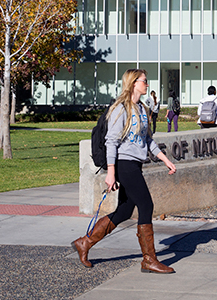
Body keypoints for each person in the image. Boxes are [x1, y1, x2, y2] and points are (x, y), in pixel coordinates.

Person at [71, 69, 177, 274]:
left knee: (125, 210)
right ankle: (149, 260)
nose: (147, 84)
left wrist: (165, 160)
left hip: (135, 163)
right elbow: (111, 141)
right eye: (145, 81)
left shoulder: (142, 109)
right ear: (134, 83)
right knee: (146, 204)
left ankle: (85, 243)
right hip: (124, 164)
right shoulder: (120, 108)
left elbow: (147, 141)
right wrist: (111, 173)